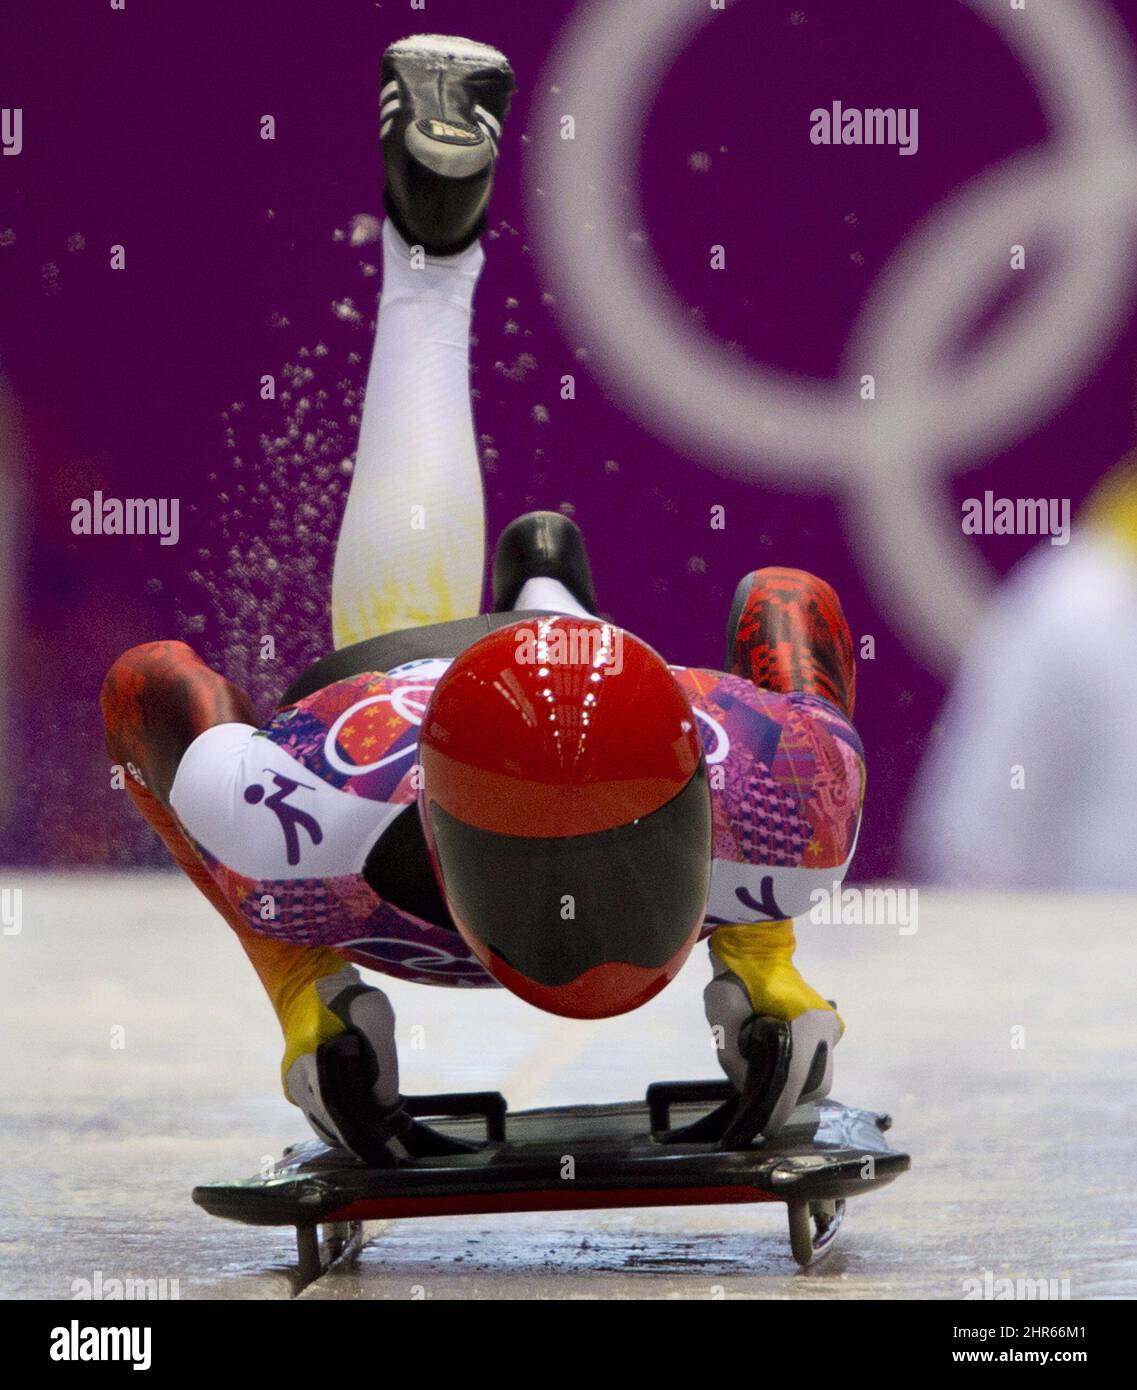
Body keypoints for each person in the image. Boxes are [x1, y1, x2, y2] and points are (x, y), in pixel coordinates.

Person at [101, 33, 865, 1162]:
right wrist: (764, 959)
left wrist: (310, 994)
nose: (581, 919)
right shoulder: (795, 804)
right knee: (415, 621)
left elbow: (148, 691)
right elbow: (788, 598)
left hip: (464, 703)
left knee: (410, 602)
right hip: (408, 698)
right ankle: (528, 538)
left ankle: (433, 273)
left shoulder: (294, 826)